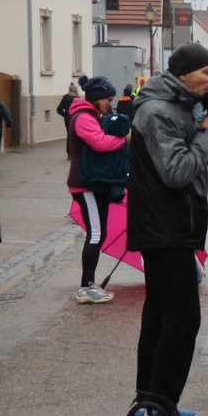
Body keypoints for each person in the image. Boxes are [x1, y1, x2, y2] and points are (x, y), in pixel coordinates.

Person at [127, 41, 208, 416]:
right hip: (165, 229)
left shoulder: (176, 105)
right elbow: (178, 172)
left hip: (170, 226)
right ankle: (159, 406)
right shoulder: (159, 111)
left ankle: (152, 402)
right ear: (184, 76)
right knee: (181, 320)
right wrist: (206, 135)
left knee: (162, 317)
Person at [67, 76, 128, 304]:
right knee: (95, 233)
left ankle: (89, 284)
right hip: (85, 185)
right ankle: (86, 287)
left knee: (99, 233)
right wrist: (125, 138)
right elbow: (101, 143)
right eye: (108, 99)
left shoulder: (92, 115)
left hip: (93, 184)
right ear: (96, 98)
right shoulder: (83, 117)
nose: (110, 104)